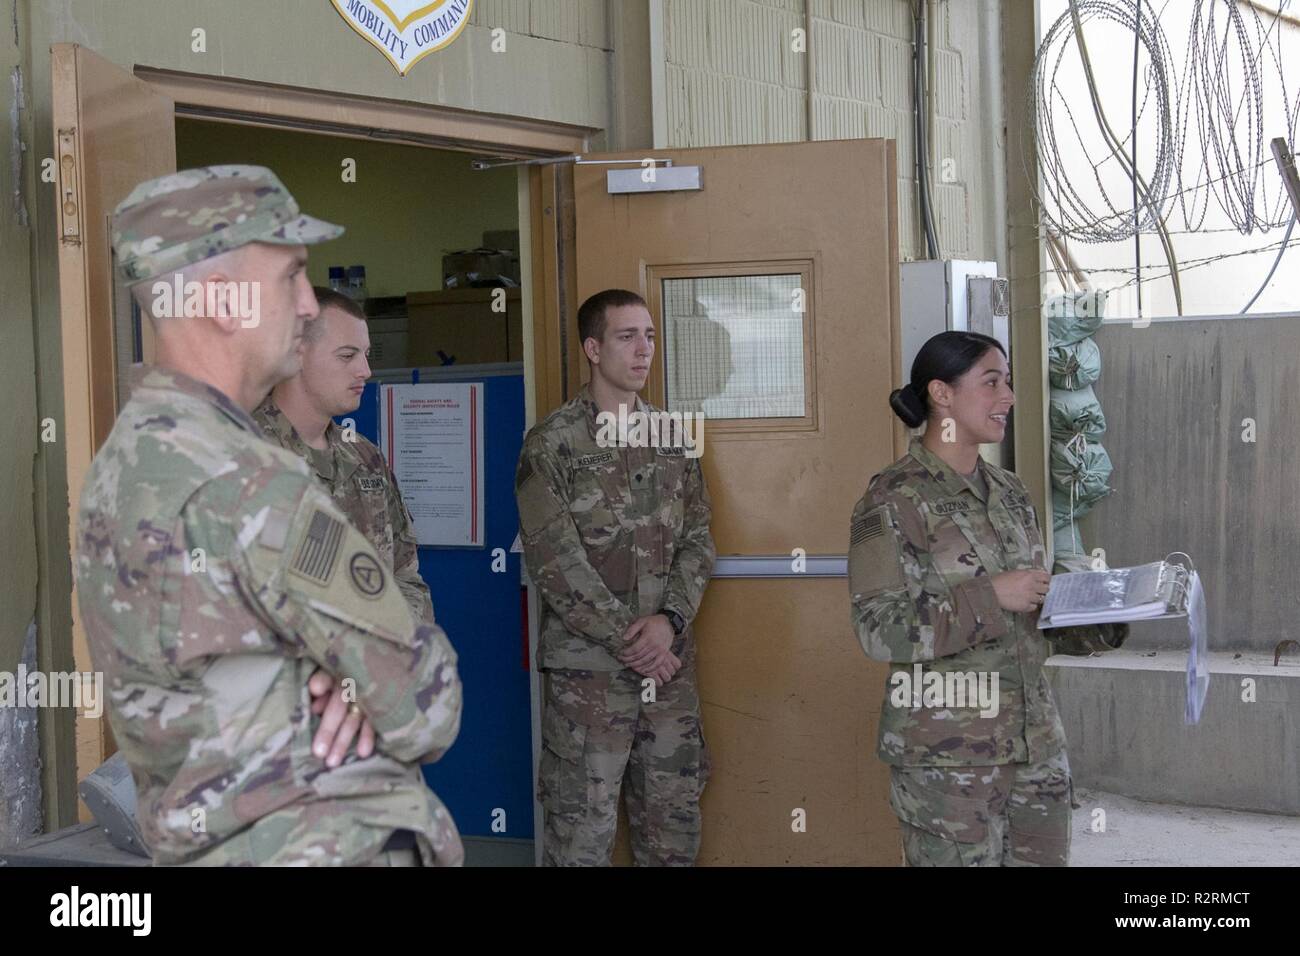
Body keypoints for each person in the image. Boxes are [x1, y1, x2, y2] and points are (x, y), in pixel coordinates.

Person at [75, 165, 462, 866]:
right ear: (223, 300)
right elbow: (424, 704)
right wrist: (361, 675)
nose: (308, 305)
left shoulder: (127, 459)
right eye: (290, 277)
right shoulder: (246, 481)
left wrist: (342, 674)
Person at [848, 330, 1126, 867]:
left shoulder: (1011, 492)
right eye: (992, 382)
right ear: (942, 393)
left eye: (1009, 382)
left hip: (1035, 746)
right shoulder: (892, 499)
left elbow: (1032, 611)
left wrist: (1103, 611)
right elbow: (876, 628)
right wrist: (990, 596)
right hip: (948, 762)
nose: (1009, 397)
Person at [515, 289, 715, 866]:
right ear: (593, 348)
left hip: (668, 673)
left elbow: (699, 538)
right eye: (627, 337)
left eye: (649, 336)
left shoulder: (672, 437)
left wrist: (669, 621)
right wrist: (633, 641)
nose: (643, 349)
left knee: (672, 830)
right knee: (581, 835)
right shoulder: (551, 444)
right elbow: (555, 562)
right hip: (590, 680)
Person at [253, 287, 434, 630]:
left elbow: (405, 574)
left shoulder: (366, 459)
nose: (365, 370)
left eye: (366, 355)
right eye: (347, 356)